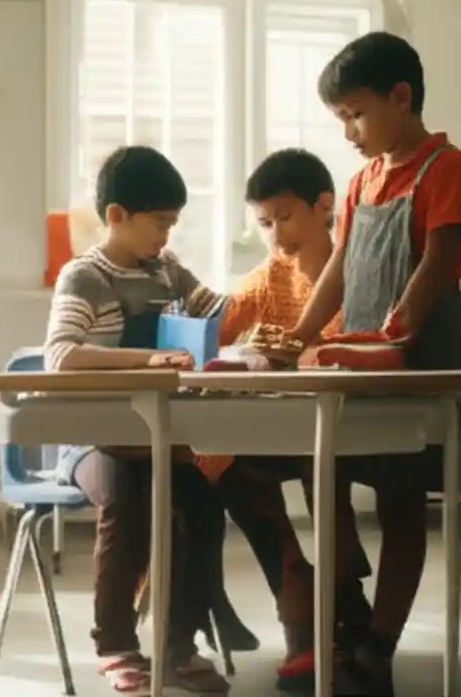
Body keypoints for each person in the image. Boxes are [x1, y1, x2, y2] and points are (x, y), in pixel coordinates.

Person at [286, 31, 461, 694]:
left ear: (401, 96)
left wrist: (399, 327)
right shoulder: (362, 180)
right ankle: (350, 599)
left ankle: (379, 640)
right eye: (341, 120)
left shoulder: (444, 168)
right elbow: (339, 264)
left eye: (356, 114)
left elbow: (441, 260)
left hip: (418, 364)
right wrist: (303, 331)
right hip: (363, 361)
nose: (350, 133)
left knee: (401, 504)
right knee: (318, 463)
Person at [45, 145, 233, 694]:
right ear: (116, 216)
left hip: (156, 438)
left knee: (201, 501)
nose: (166, 236)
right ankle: (118, 646)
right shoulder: (84, 277)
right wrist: (146, 358)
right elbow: (61, 354)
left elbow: (220, 313)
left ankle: (178, 645)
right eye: (158, 223)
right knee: (128, 497)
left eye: (173, 224)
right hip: (92, 443)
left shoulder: (167, 271)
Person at [211, 148, 373, 693]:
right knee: (225, 466)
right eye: (263, 223)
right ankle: (297, 604)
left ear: (324, 206)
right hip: (280, 425)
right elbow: (214, 332)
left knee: (321, 470)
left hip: (345, 424)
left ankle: (345, 618)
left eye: (284, 217)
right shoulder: (266, 278)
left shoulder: (356, 268)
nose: (275, 234)